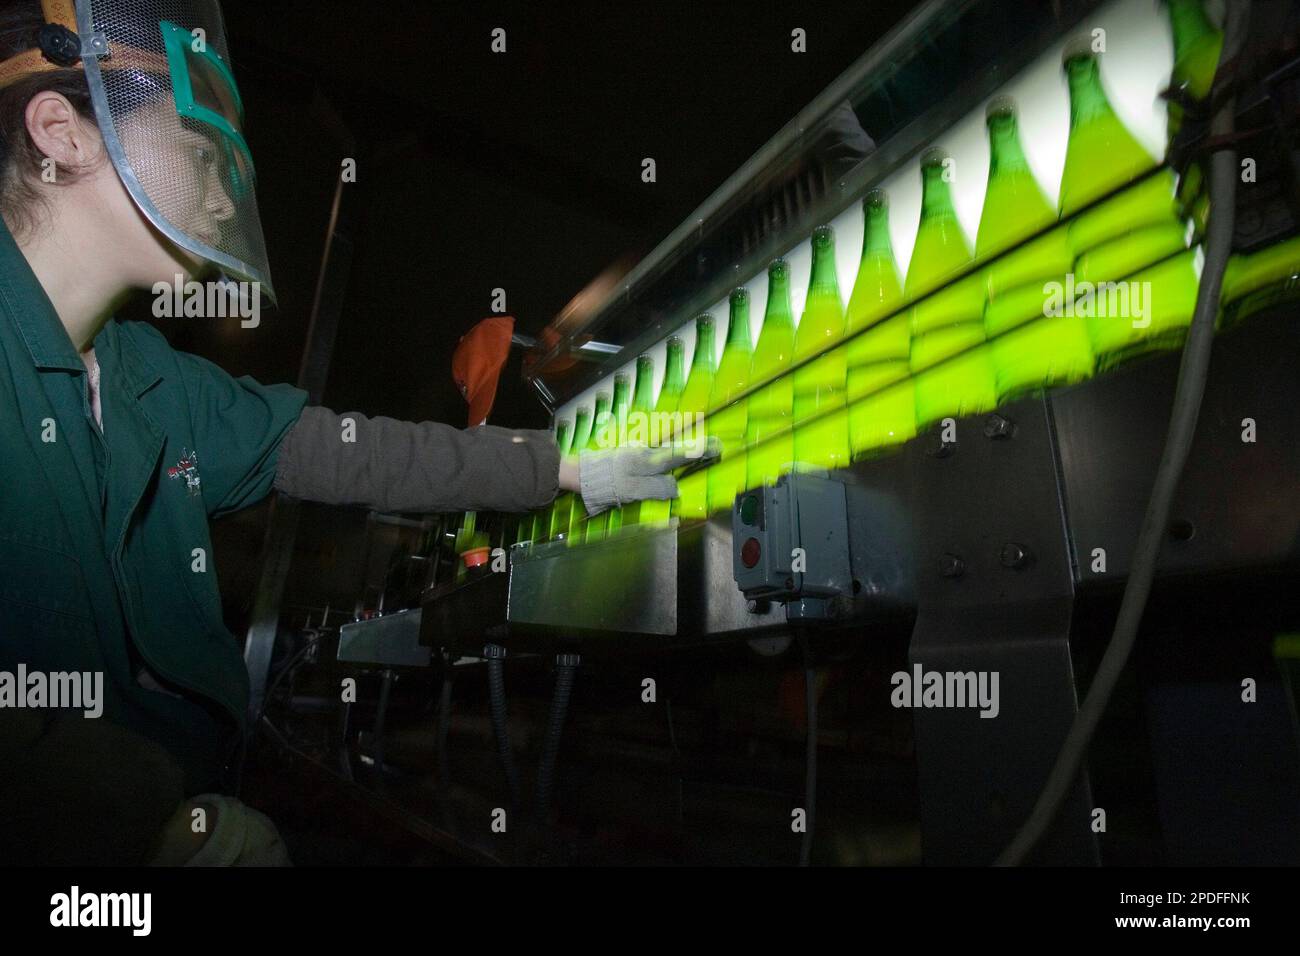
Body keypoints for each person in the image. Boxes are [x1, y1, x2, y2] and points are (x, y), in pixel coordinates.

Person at [0, 0, 692, 865]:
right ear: (61, 131)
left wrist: (565, 469)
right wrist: (147, 827)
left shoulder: (148, 380)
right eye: (197, 154)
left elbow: (348, 450)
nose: (221, 201)